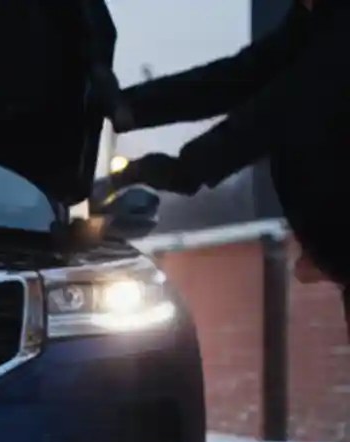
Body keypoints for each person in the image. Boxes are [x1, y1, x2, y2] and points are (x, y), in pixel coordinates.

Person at [104, 0, 349, 335]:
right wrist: (127, 107)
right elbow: (243, 76)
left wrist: (187, 168)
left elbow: (289, 104)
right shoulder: (314, 19)